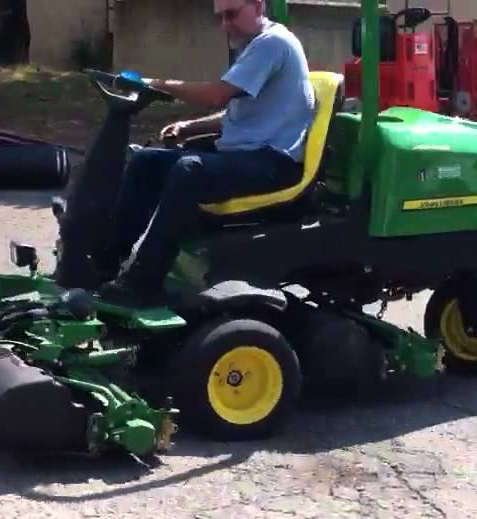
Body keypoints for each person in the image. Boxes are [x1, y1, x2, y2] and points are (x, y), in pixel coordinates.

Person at [93, 0, 315, 306]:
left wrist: (156, 84)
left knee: (190, 170)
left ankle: (144, 282)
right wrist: (188, 127)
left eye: (232, 14)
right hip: (247, 155)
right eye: (221, 17)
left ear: (259, 6)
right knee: (147, 161)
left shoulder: (273, 43)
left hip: (274, 163)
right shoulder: (255, 46)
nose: (225, 25)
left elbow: (215, 95)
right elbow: (238, 113)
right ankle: (106, 265)